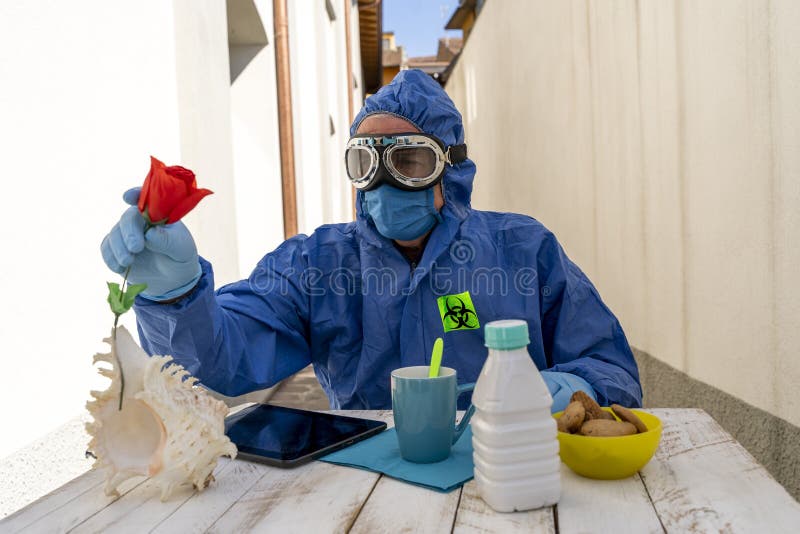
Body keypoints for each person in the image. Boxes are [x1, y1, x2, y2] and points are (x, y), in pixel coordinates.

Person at [101, 69, 642, 412]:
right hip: (367, 487)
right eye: (367, 163)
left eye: (408, 161)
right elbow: (220, 360)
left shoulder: (524, 253)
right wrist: (176, 297)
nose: (384, 184)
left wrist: (578, 390)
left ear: (448, 170)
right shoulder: (318, 266)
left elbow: (610, 364)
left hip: (509, 470)